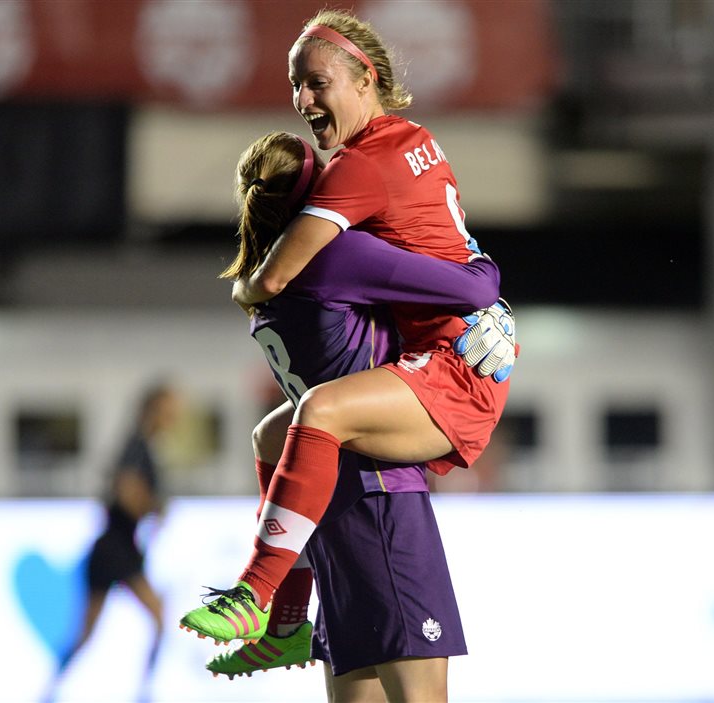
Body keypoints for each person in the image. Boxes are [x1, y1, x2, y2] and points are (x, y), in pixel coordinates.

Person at [179, 9, 516, 653]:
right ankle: (284, 622)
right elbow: (459, 259)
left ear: (364, 76)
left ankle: (259, 595)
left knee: (319, 410)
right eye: (296, 84)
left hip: (449, 372)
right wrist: (488, 293)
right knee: (275, 430)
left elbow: (271, 280)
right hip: (463, 354)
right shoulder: (415, 138)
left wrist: (243, 286)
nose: (303, 99)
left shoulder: (352, 176)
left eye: (315, 82)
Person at [202, 130, 502, 700]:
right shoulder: (338, 254)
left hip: (321, 519)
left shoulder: (264, 283)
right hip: (381, 500)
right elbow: (474, 287)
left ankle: (286, 615)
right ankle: (261, 592)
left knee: (272, 431)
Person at [41, 385, 177, 703]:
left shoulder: (142, 446)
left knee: (89, 633)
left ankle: (50, 689)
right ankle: (145, 693)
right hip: (116, 551)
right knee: (156, 616)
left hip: (116, 548)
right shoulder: (137, 445)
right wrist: (155, 506)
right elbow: (128, 493)